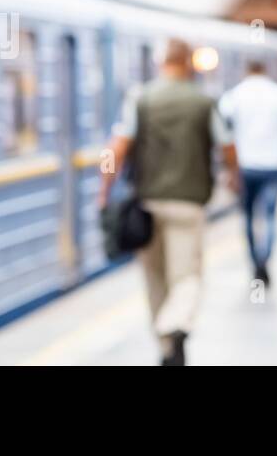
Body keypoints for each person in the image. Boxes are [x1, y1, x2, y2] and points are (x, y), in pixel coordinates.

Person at [98, 39, 225, 366]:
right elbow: (227, 146)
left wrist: (104, 190)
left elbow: (116, 149)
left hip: (148, 204)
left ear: (160, 63)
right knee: (187, 275)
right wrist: (233, 176)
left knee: (155, 278)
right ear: (188, 63)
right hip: (189, 203)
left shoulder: (140, 99)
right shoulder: (204, 101)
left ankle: (166, 346)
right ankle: (177, 324)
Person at [217, 60, 277, 288]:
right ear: (265, 71)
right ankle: (264, 260)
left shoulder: (232, 97)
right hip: (273, 166)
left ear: (246, 72)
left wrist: (228, 168)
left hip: (244, 166)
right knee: (269, 216)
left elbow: (223, 135)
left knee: (247, 216)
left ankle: (254, 262)